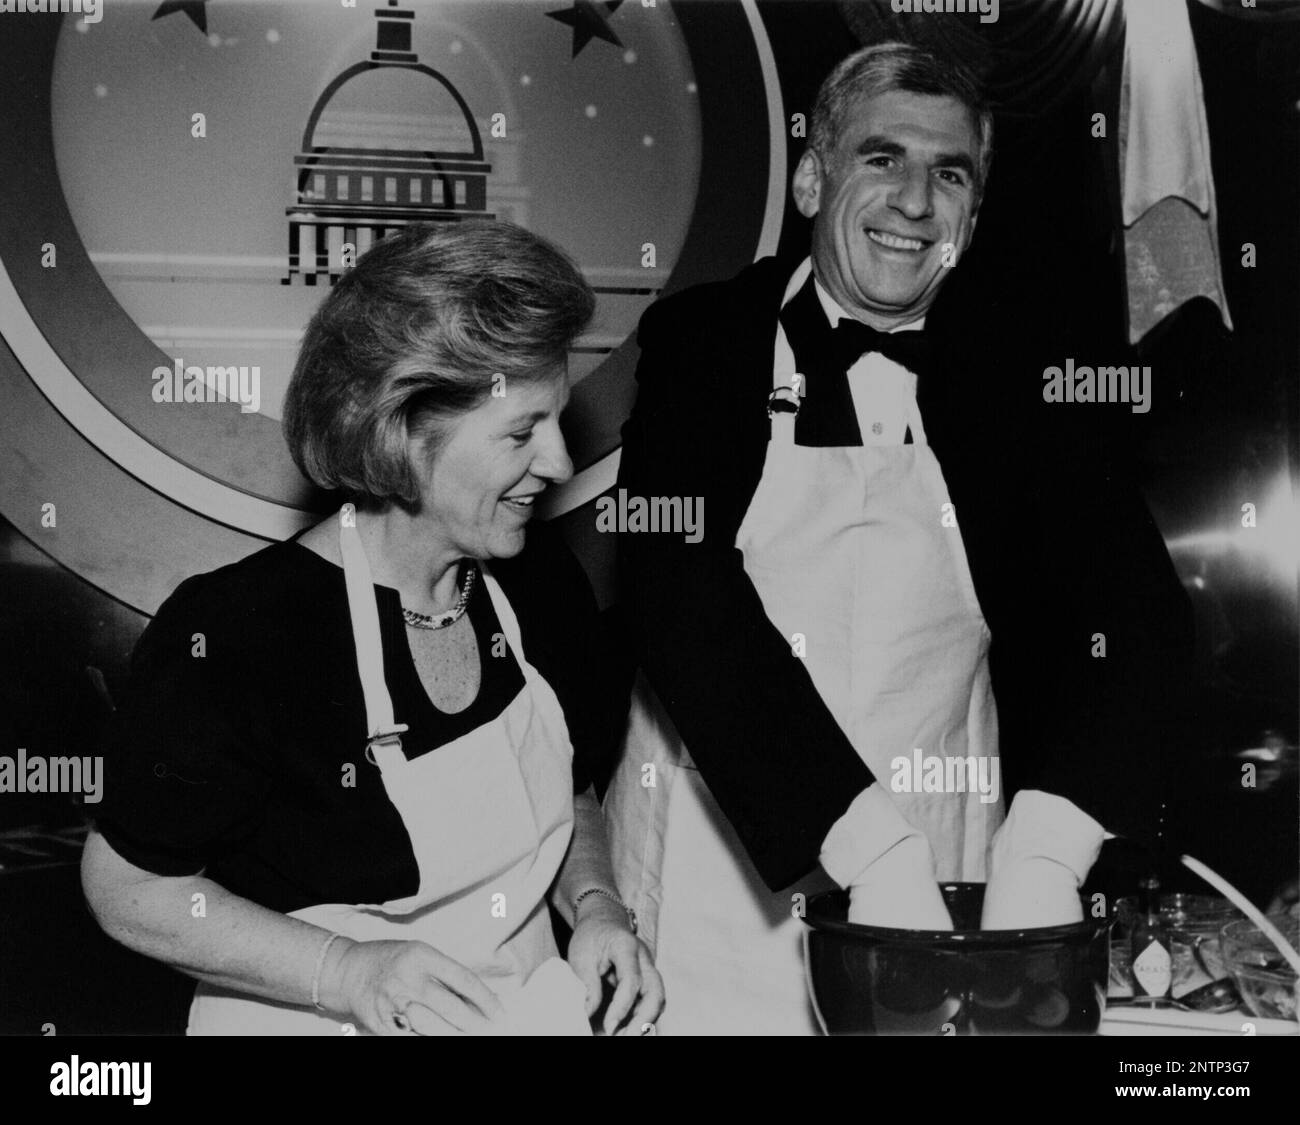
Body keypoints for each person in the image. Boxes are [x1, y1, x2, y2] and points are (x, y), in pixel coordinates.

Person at [604, 42, 1193, 1034]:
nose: (916, 202)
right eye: (882, 158)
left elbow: (1135, 615)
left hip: (941, 882)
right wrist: (861, 845)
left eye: (950, 173)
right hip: (712, 880)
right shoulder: (703, 343)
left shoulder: (1023, 371)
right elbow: (674, 586)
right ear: (809, 177)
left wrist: (1047, 844)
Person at [81, 220, 664, 1036]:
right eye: (523, 430)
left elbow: (572, 789)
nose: (561, 463)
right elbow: (126, 888)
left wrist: (597, 905)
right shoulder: (240, 635)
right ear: (403, 431)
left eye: (558, 421)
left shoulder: (539, 582)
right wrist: (344, 970)